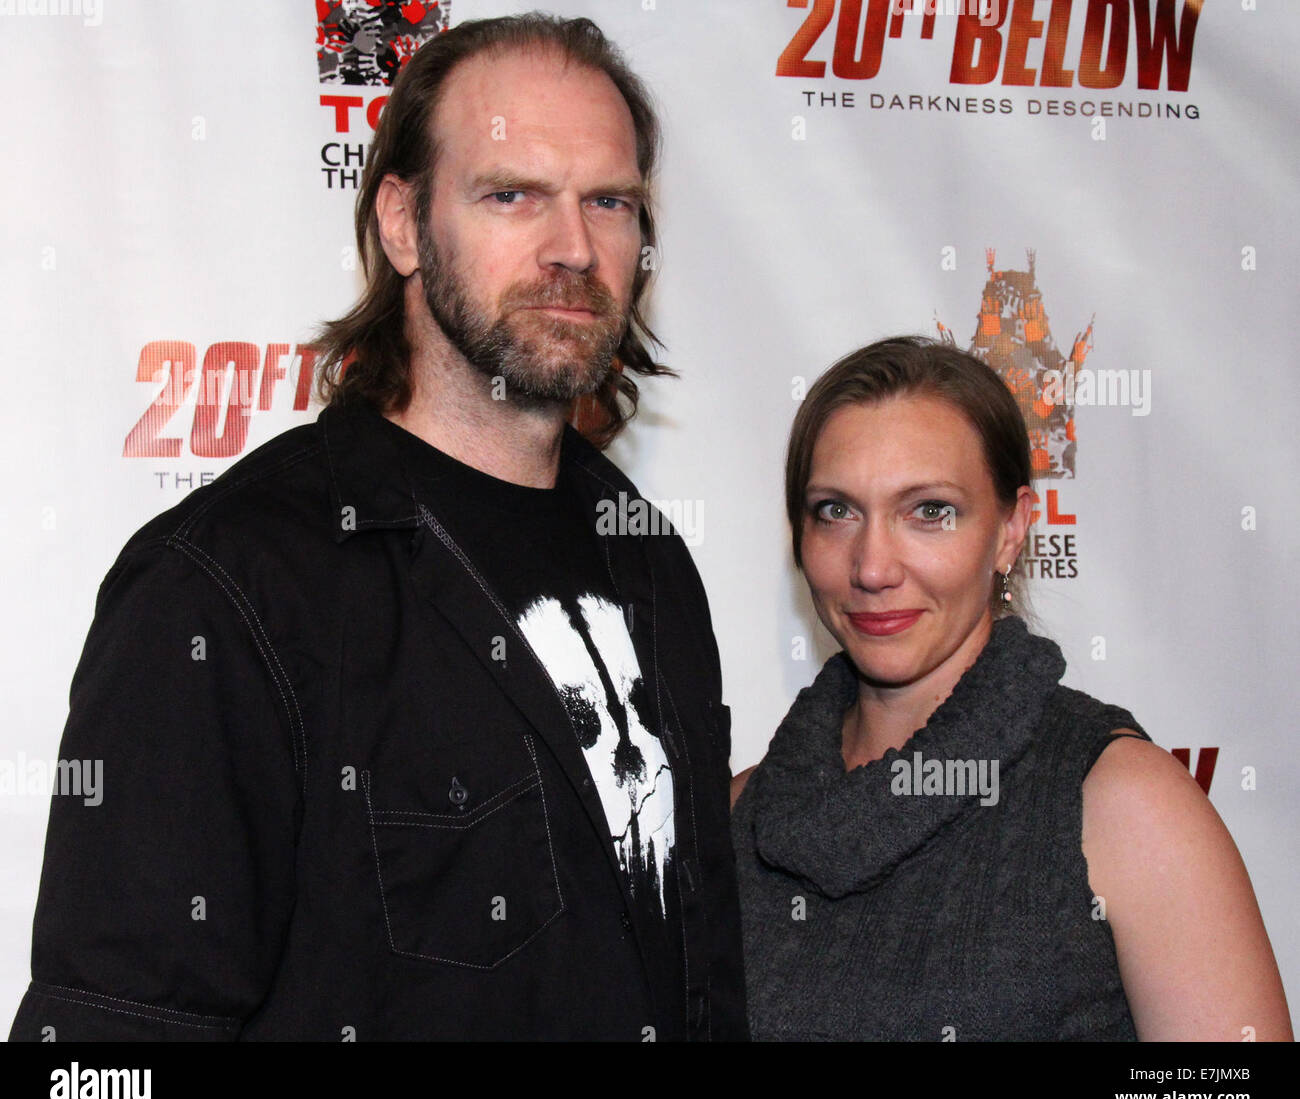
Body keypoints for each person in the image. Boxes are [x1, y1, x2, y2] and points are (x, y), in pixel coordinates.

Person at [10, 14, 745, 1042]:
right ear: (402, 224)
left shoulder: (651, 558)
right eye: (511, 194)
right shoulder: (230, 587)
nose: (574, 247)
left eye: (610, 202)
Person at [730, 336, 1292, 1041]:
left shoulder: (1120, 802)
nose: (872, 566)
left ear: (1011, 530)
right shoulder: (741, 816)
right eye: (836, 511)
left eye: (929, 510)